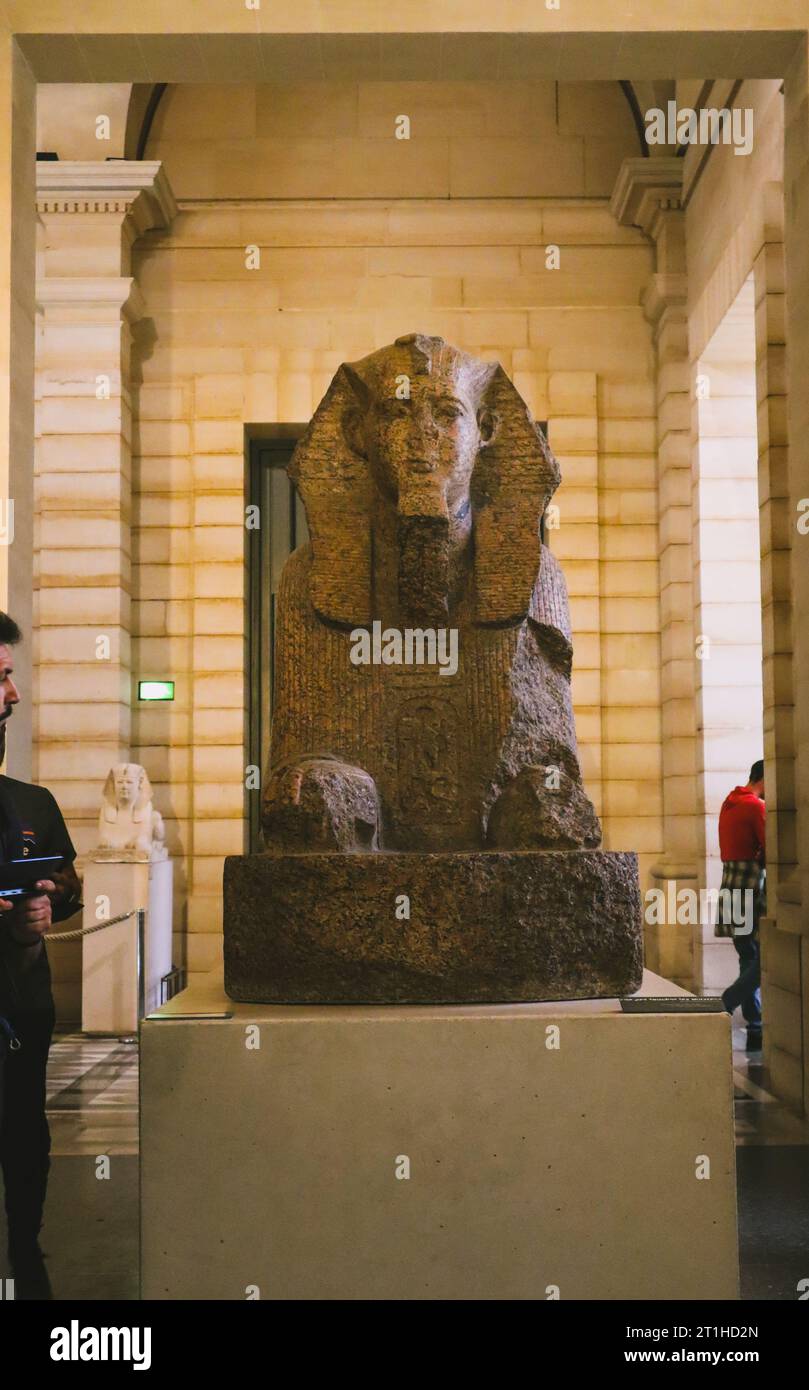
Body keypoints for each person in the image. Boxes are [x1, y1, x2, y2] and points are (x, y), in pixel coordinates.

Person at [0, 611, 82, 1298]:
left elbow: (73, 885)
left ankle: (25, 1250)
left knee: (25, 1135)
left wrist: (47, 901)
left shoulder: (32, 801)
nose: (14, 694)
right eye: (1, 677)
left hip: (21, 1007)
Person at [716, 759, 766, 1051]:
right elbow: (771, 848)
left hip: (730, 883)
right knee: (759, 960)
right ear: (764, 777)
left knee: (747, 955)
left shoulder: (728, 803)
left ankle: (756, 1026)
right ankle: (727, 1002)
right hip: (749, 885)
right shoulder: (755, 807)